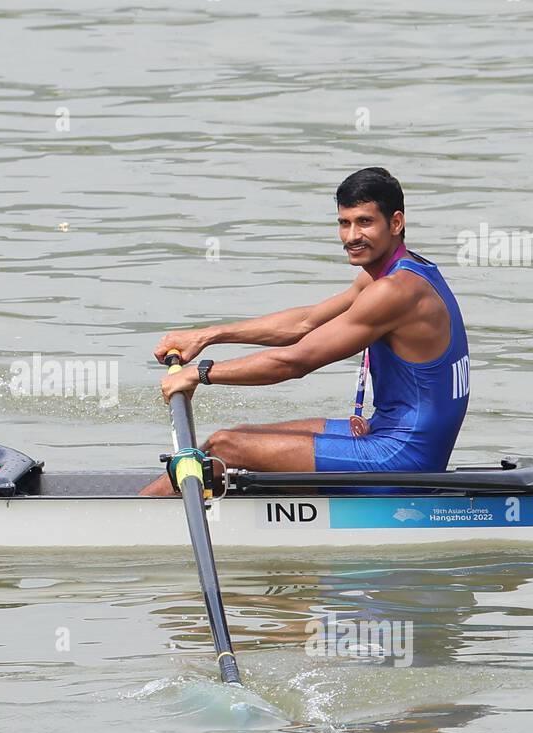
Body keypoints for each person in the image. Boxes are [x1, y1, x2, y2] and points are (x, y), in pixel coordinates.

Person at [144, 167, 468, 496]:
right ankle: (150, 511)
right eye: (344, 223)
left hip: (402, 459)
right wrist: (206, 336)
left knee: (226, 446)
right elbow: (305, 322)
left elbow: (296, 362)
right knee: (235, 437)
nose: (352, 236)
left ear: (395, 223)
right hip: (384, 433)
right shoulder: (392, 274)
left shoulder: (396, 292)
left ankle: (131, 520)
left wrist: (199, 374)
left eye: (364, 222)